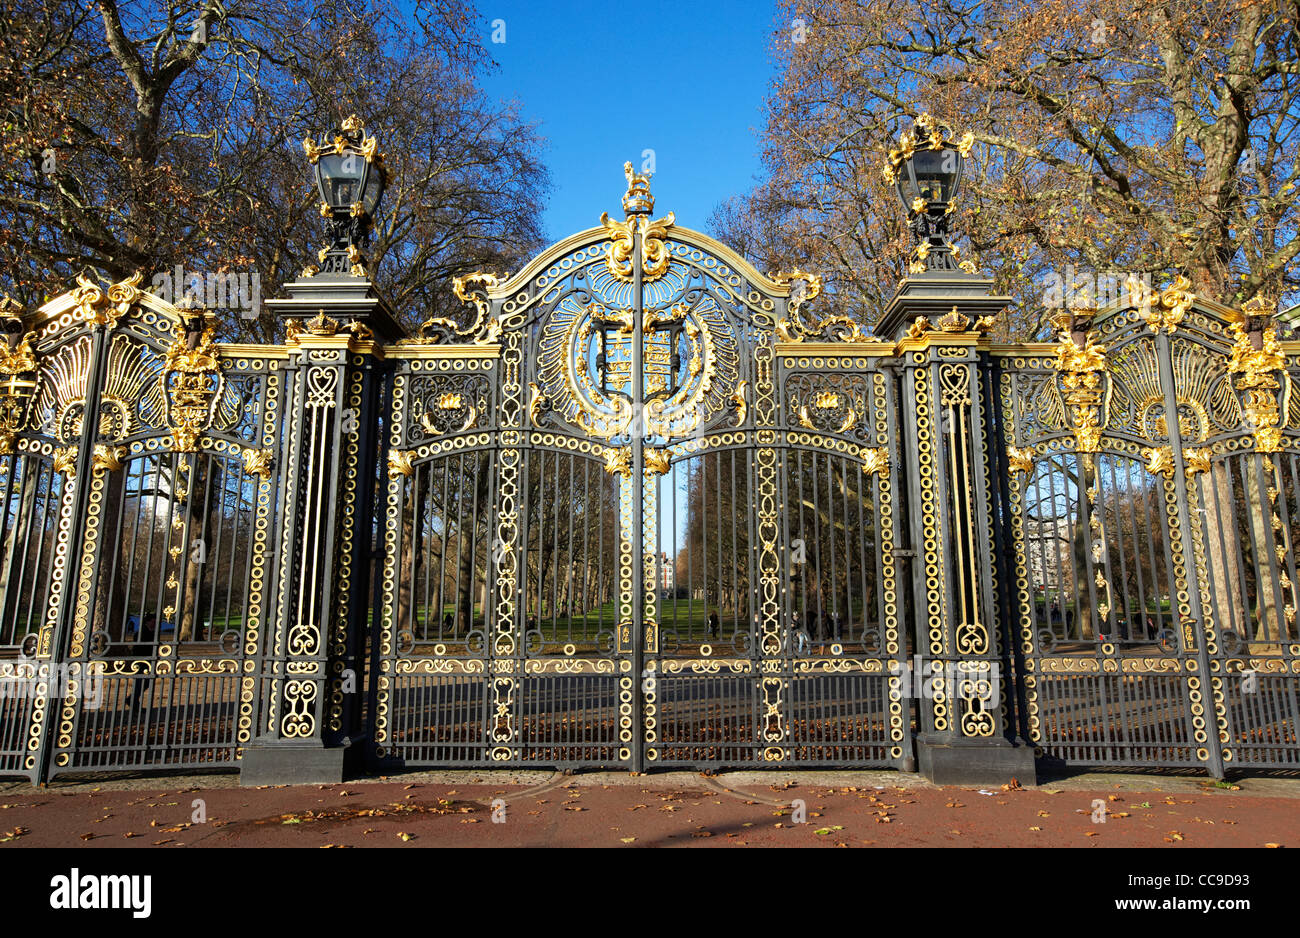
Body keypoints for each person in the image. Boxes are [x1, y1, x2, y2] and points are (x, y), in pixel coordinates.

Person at [126, 613, 157, 712]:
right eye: (153, 621)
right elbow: (140, 647)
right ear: (148, 621)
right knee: (141, 682)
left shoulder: (151, 631)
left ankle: (132, 700)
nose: (155, 623)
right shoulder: (142, 632)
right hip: (141, 660)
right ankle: (133, 701)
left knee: (145, 682)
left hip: (148, 660)